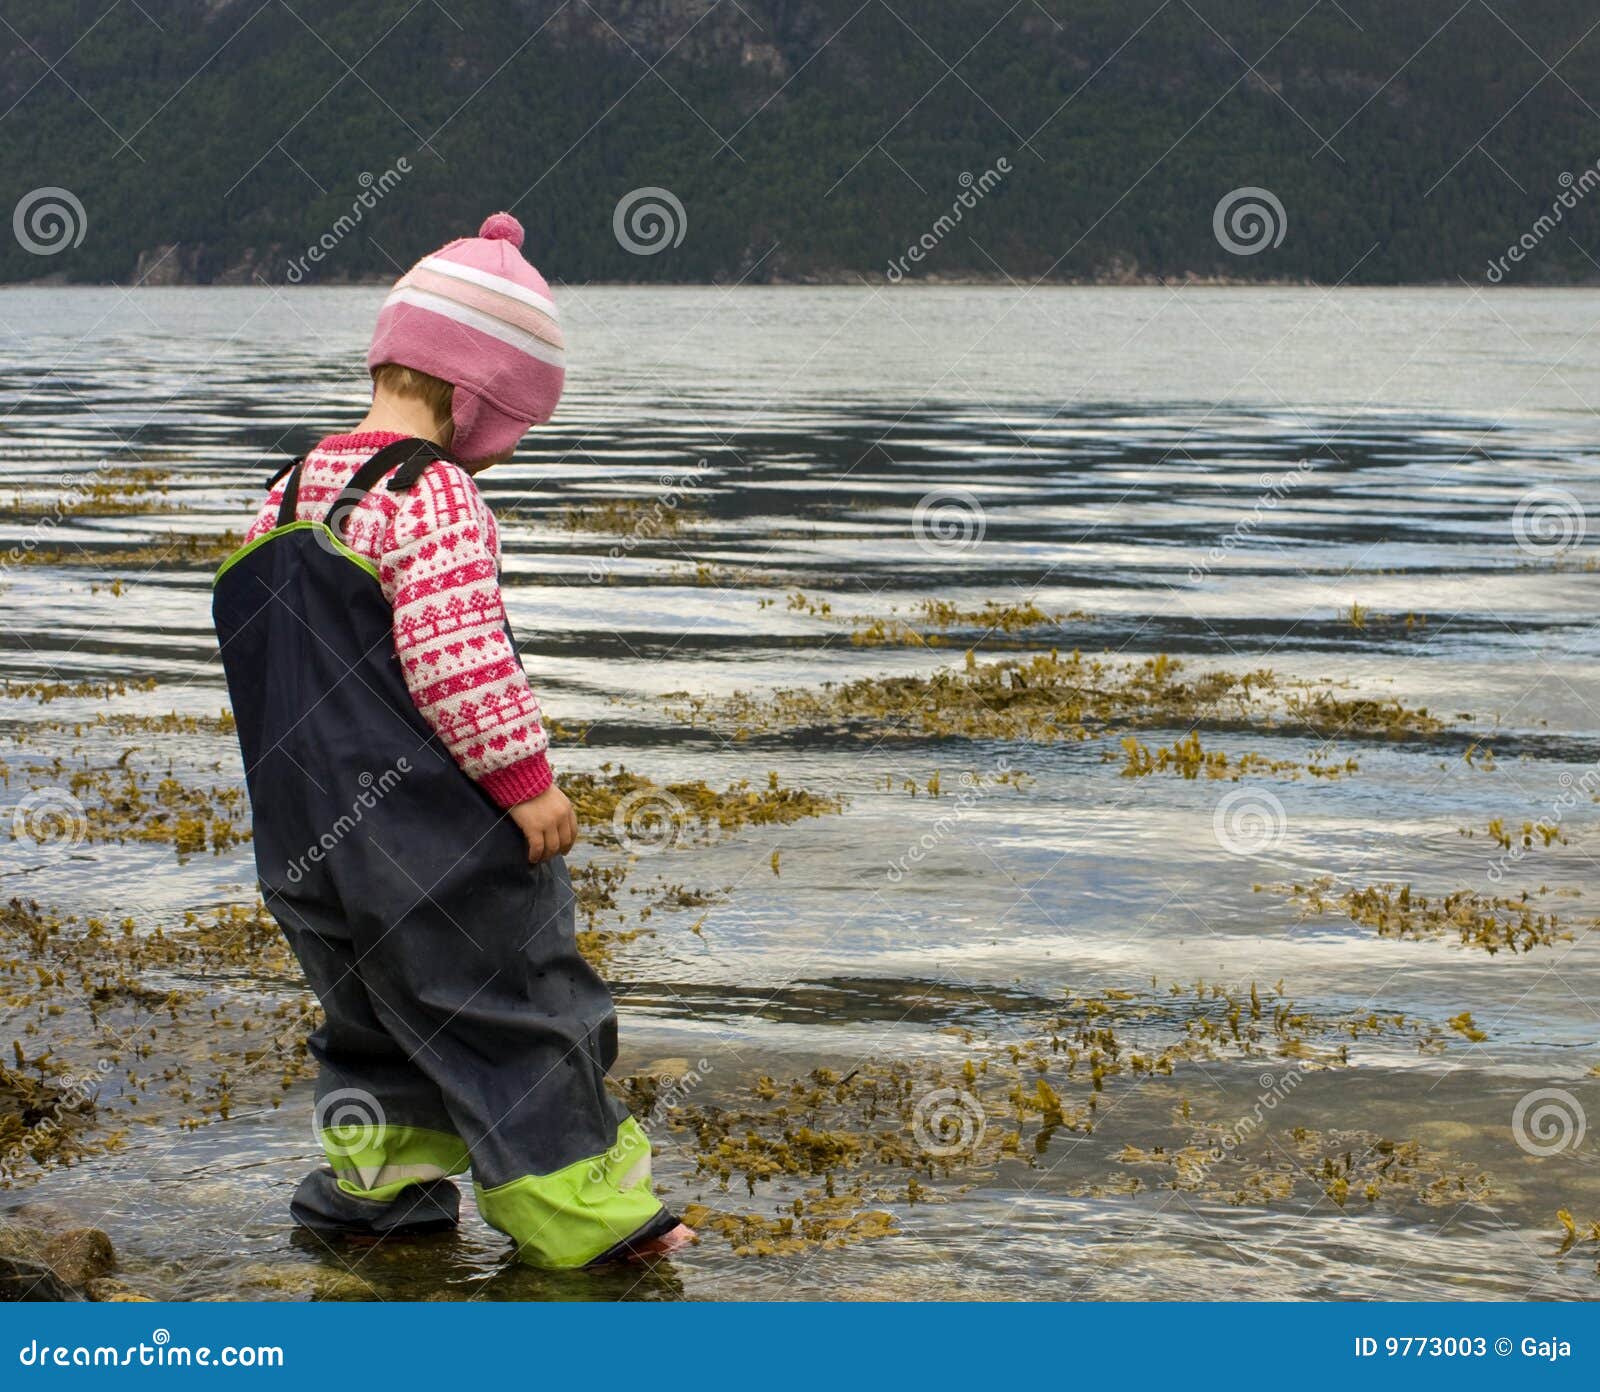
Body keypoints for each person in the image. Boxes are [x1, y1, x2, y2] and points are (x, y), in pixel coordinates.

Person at [211, 212, 692, 1268]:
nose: (509, 447)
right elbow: (457, 660)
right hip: (428, 843)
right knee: (519, 1013)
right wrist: (526, 787)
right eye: (516, 423)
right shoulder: (432, 497)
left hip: (301, 846)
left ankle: (378, 1207)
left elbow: (267, 667)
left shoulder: (283, 494)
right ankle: (592, 1224)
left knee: (371, 1021)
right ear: (473, 402)